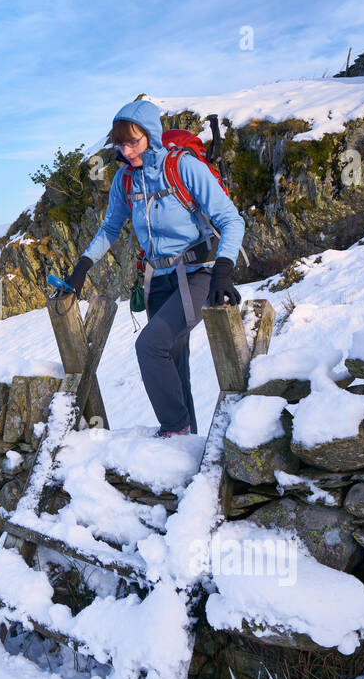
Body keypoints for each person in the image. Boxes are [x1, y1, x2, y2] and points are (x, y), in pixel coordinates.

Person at [62, 100, 245, 438]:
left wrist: (223, 269)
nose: (127, 150)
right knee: (174, 364)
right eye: (120, 143)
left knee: (149, 346)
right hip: (156, 282)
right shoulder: (125, 181)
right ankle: (186, 442)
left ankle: (174, 429)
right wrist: (82, 267)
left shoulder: (182, 167)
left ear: (151, 136)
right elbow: (110, 229)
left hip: (197, 275)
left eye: (134, 141)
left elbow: (231, 219)